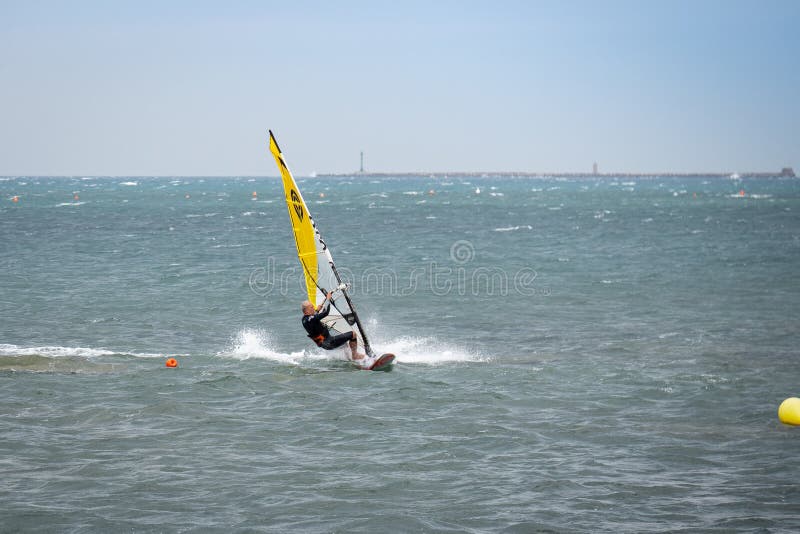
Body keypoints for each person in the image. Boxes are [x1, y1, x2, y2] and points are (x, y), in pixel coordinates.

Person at [301, 292, 365, 361]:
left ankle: (348, 358)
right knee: (353, 334)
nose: (313, 307)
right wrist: (328, 299)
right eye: (311, 307)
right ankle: (355, 355)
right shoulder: (311, 319)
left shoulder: (305, 319)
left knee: (345, 344)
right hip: (329, 342)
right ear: (306, 311)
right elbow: (326, 312)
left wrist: (317, 310)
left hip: (325, 344)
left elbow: (313, 318)